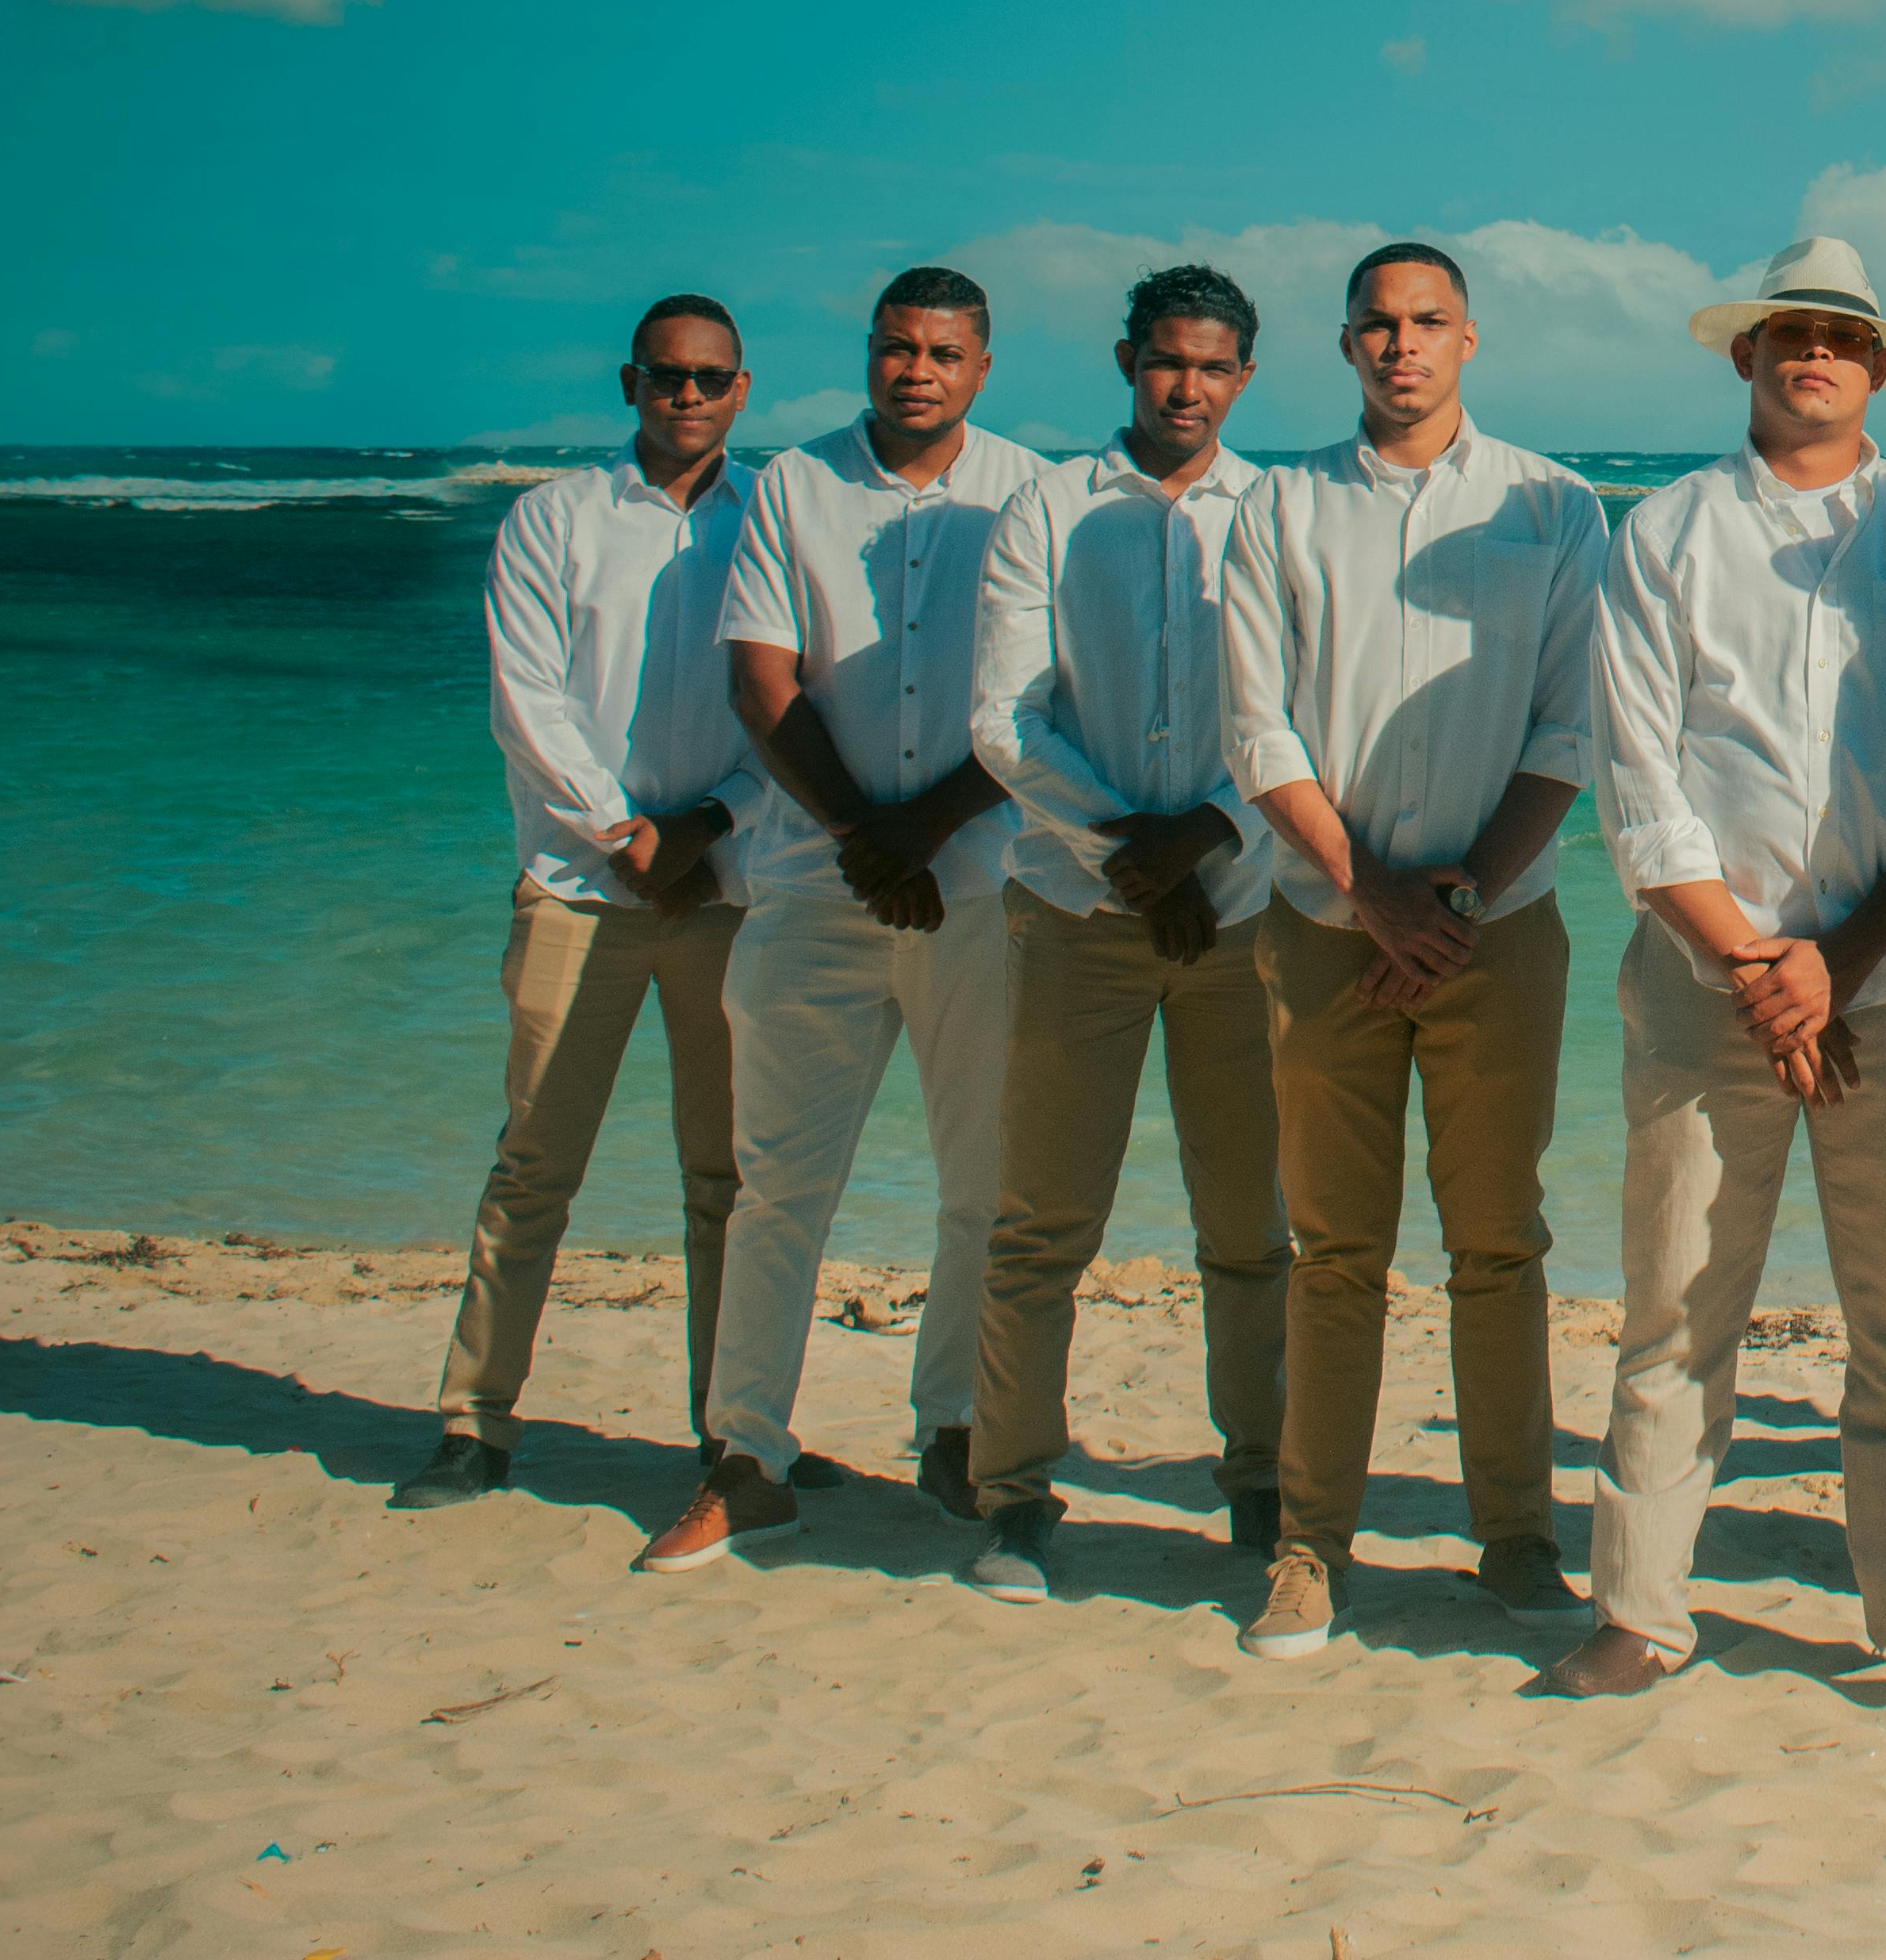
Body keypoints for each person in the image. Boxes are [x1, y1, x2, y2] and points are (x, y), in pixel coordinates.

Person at [1542, 236, 1886, 1700]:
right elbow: (1638, 777)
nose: (1814, 352)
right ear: (1744, 356)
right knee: (1680, 1290)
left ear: (1877, 365)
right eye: (1788, 331)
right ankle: (1643, 1606)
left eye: (1842, 336)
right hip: (1701, 979)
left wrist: (1837, 965)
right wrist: (1757, 966)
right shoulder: (1667, 531)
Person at [1215, 243, 1611, 1661]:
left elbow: (1574, 728)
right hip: (1325, 929)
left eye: (1427, 323)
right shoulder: (1279, 504)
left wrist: (1455, 903)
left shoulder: (1553, 505)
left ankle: (1515, 1537)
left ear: (1470, 339)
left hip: (1500, 938)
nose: (1402, 346)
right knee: (1334, 1250)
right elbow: (1258, 731)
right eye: (1378, 325)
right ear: (1345, 346)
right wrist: (1373, 895)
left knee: (1499, 1245)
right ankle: (1312, 1548)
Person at [645, 266, 1044, 1571]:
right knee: (778, 1190)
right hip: (812, 889)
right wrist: (861, 839)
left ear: (982, 368)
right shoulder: (792, 489)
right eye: (894, 348)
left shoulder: (1028, 493)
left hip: (978, 883)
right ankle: (746, 1454)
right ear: (865, 357)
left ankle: (954, 1430)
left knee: (980, 1186)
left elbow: (1048, 696)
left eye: (942, 351)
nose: (915, 370)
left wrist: (921, 832)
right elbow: (762, 685)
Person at [954, 263, 1286, 1603]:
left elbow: (1303, 712)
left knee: (1250, 1230)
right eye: (1166, 362)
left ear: (1246, 378)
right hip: (1077, 909)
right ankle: (1016, 1497)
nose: (1187, 387)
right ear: (1126, 360)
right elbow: (1003, 720)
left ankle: (1262, 1486)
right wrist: (1129, 851)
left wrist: (1209, 834)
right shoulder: (1043, 507)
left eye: (1213, 367)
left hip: (1246, 908)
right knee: (1041, 1222)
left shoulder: (1275, 512)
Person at [404, 293, 766, 1509]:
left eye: (710, 379)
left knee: (727, 1180)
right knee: (534, 1167)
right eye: (667, 377)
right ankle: (475, 1422)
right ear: (629, 384)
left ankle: (733, 1435)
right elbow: (528, 701)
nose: (687, 397)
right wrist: (626, 833)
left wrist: (707, 826)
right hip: (578, 886)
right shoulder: (550, 519)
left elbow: (798, 700)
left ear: (742, 389)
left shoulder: (774, 519)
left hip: (724, 888)